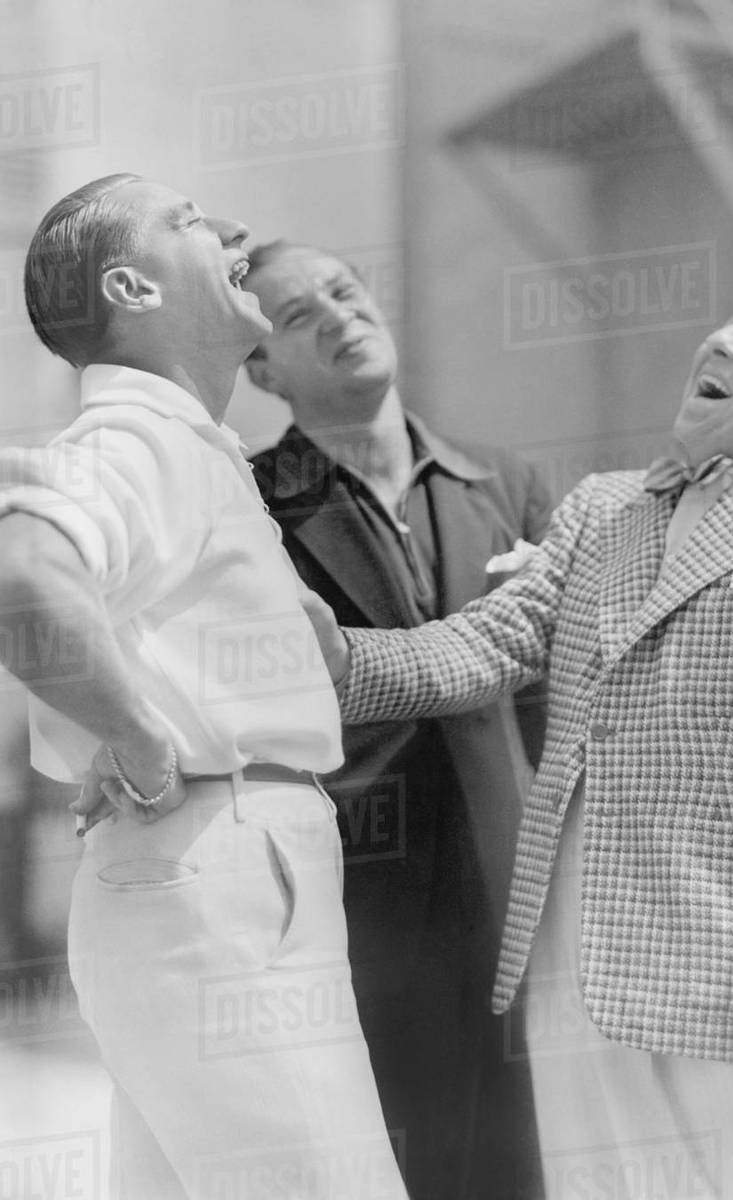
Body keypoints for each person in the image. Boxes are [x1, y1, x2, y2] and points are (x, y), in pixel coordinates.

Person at [307, 284, 733, 1200]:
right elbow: (487, 640)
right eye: (725, 323)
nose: (721, 339)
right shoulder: (607, 509)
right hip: (575, 953)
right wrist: (334, 653)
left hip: (726, 959)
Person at [0, 176, 407, 1200]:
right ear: (133, 288)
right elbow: (20, 576)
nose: (228, 230)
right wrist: (136, 735)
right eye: (187, 222)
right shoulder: (140, 436)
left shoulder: (191, 447)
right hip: (212, 866)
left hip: (205, 875)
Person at [243, 240, 549, 1200]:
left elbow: (549, 704)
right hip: (352, 900)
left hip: (506, 890)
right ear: (260, 369)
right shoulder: (247, 504)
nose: (339, 316)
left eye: (345, 291)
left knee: (511, 1165)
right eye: (299, 315)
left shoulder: (503, 484)